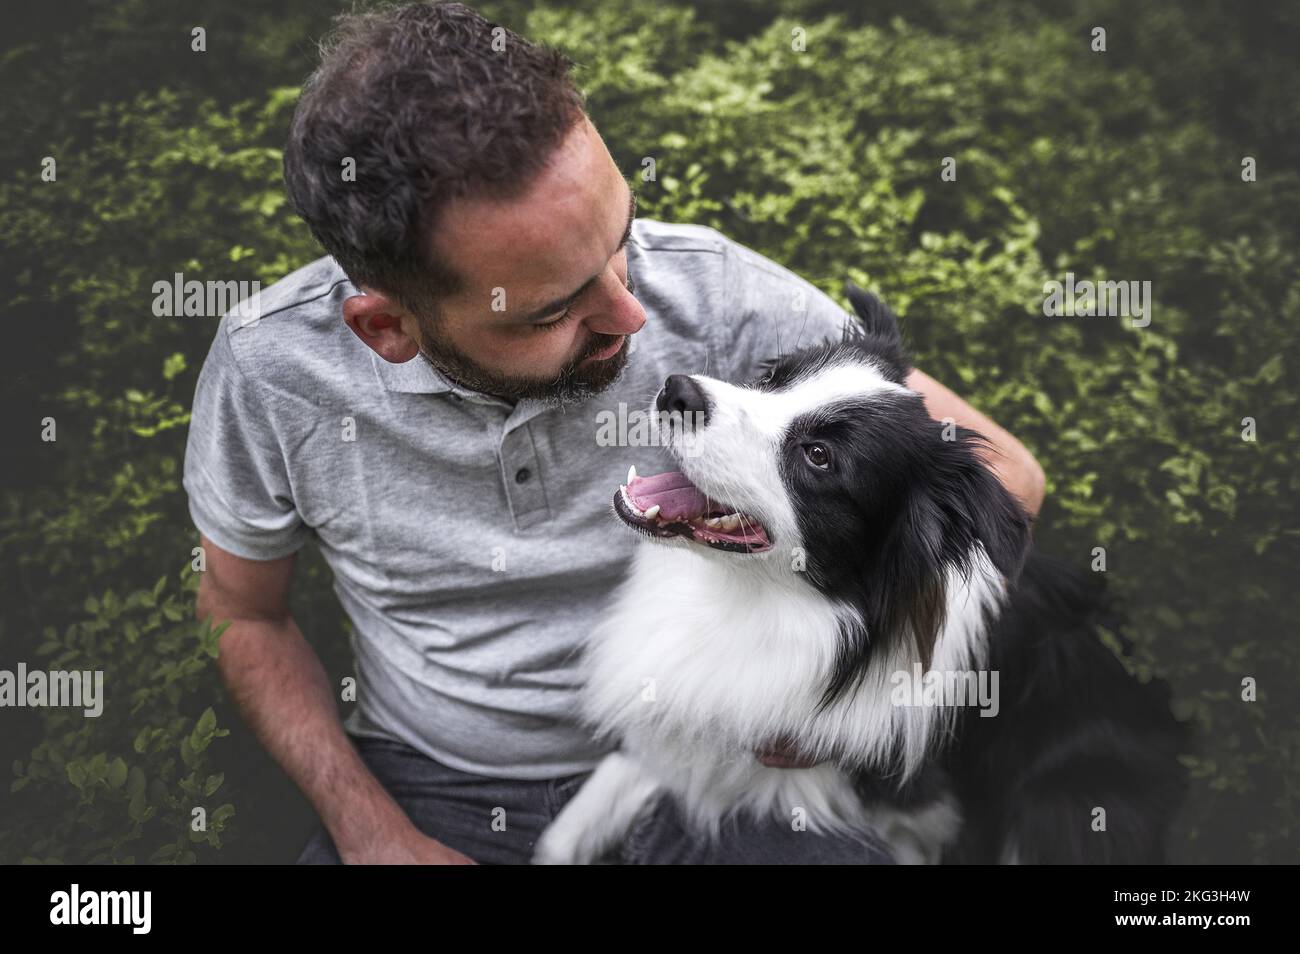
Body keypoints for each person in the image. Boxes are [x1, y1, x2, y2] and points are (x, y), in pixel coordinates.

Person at [184, 1, 1045, 865]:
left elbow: (1004, 480)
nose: (631, 312)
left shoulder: (717, 295)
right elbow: (243, 612)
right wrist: (365, 828)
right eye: (555, 309)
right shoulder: (274, 373)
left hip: (726, 772)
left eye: (620, 237)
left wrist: (856, 705)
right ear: (390, 329)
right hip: (432, 782)